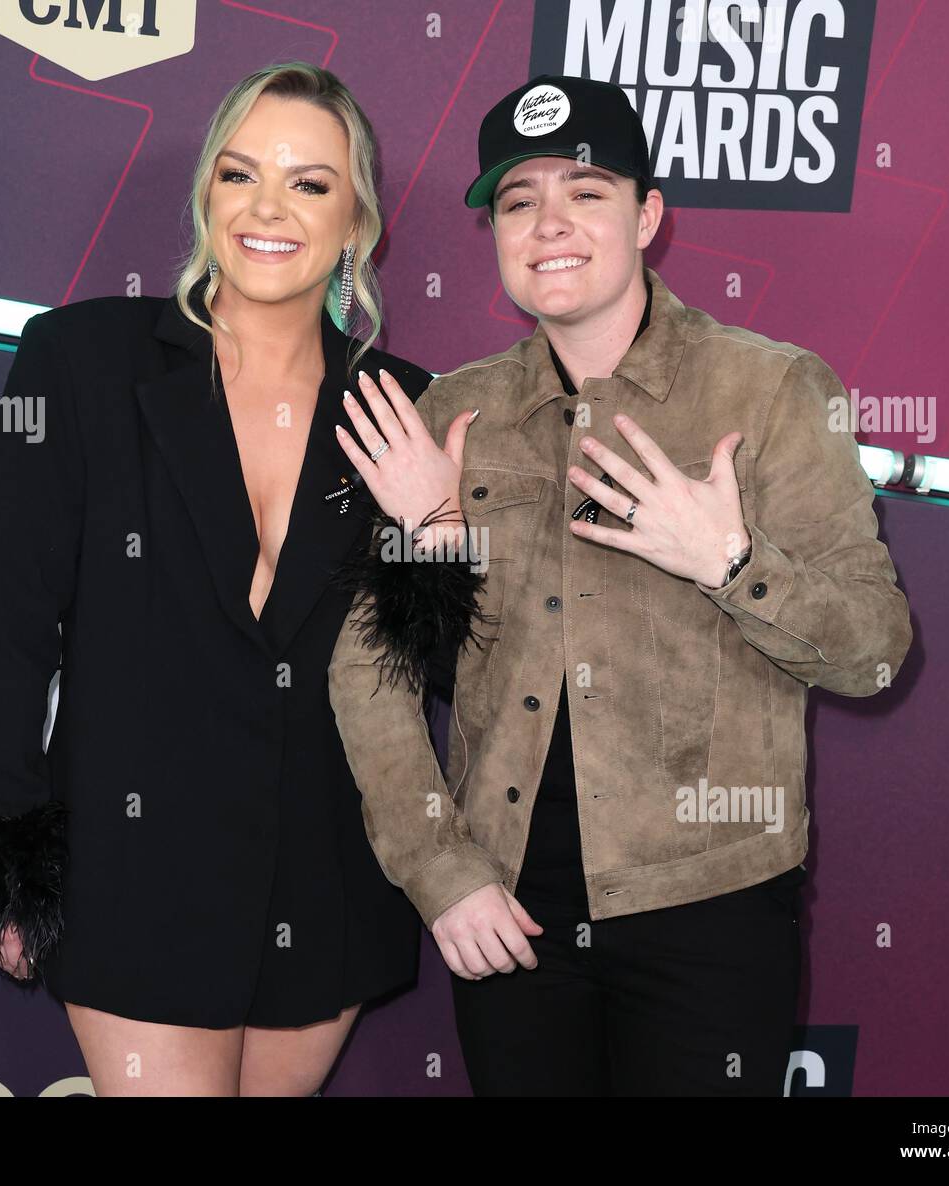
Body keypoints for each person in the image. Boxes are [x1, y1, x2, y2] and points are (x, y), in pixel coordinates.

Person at [329, 74, 914, 1096]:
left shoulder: (771, 389)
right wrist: (439, 869)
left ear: (647, 215)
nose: (549, 224)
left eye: (586, 191)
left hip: (714, 907)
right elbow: (369, 669)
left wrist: (730, 563)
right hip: (507, 916)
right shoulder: (451, 410)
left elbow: (873, 650)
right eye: (518, 201)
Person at [0, 61, 436, 1097]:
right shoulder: (85, 360)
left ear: (357, 221)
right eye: (240, 175)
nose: (268, 208)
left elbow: (436, 665)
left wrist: (439, 525)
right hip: (128, 866)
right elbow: (6, 621)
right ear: (206, 197)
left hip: (323, 876)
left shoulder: (400, 405)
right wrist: (0, 855)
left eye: (310, 183)